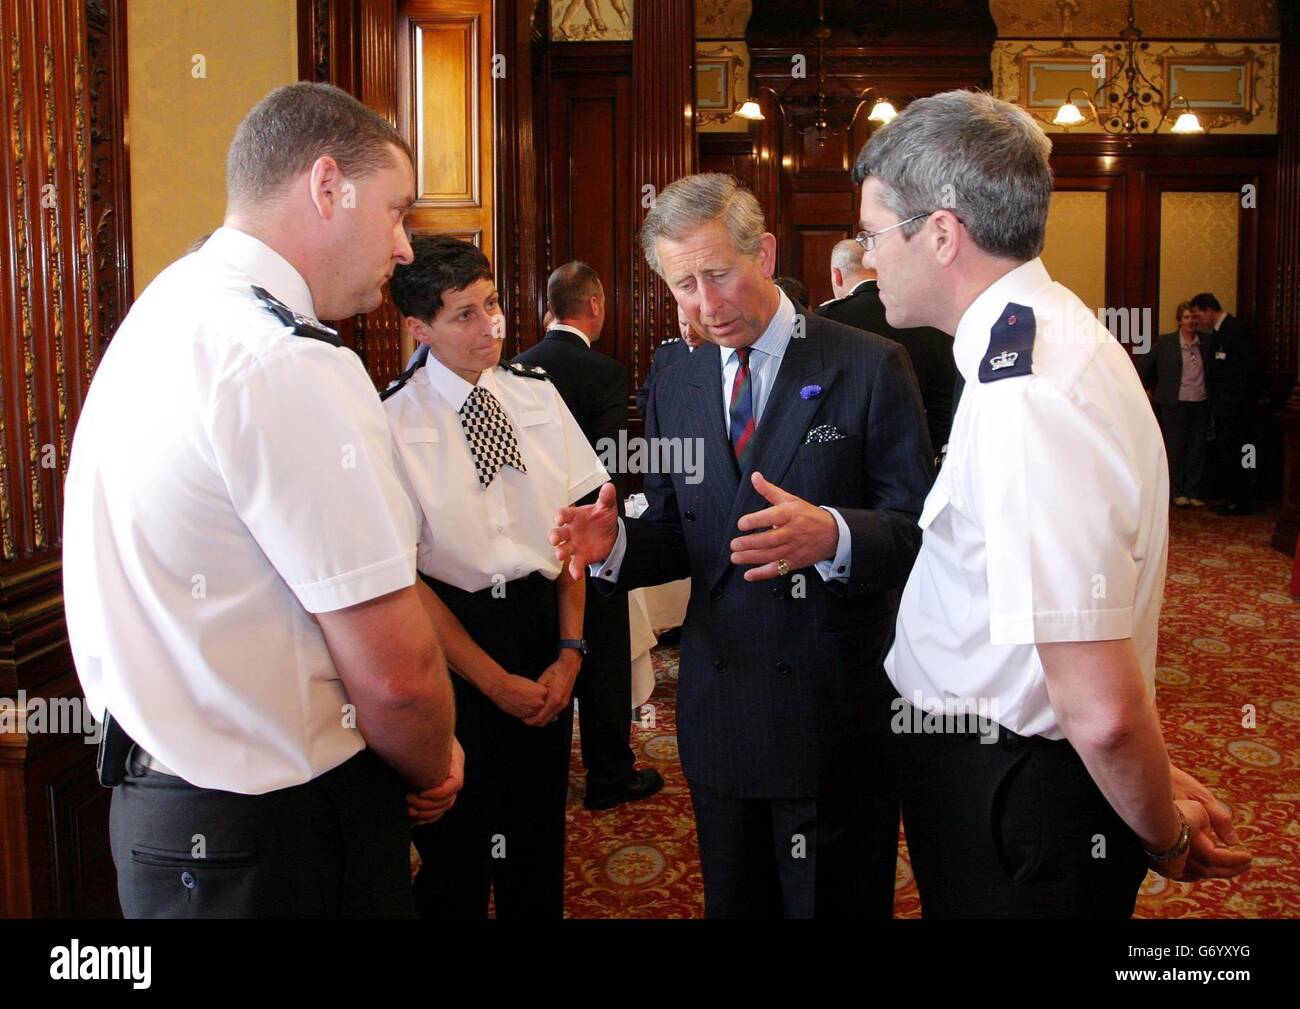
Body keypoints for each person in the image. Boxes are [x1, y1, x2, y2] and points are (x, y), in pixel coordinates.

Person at [62, 82, 461, 918]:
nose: (401, 249)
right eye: (394, 213)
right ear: (327, 186)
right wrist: (436, 762)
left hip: (160, 813)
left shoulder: (161, 314)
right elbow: (397, 679)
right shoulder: (286, 359)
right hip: (276, 832)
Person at [857, 89, 1251, 917]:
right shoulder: (1034, 338)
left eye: (873, 234)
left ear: (939, 231)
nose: (866, 259)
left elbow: (1101, 710)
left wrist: (1165, 835)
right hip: (1021, 768)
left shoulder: (1026, 386)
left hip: (1009, 799)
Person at [550, 172, 933, 918]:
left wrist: (836, 533)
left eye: (717, 274)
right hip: (722, 712)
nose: (704, 304)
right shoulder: (677, 380)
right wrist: (615, 545)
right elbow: (680, 531)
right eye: (683, 285)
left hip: (832, 713)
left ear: (763, 249)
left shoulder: (867, 364)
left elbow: (922, 533)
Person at [383, 236, 609, 917]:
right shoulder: (392, 420)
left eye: (494, 304)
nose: (492, 327)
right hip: (454, 642)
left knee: (538, 838)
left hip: (544, 624)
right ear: (420, 328)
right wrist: (492, 682)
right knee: (458, 847)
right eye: (465, 316)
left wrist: (569, 652)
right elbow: (407, 581)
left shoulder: (536, 394)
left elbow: (577, 530)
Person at [513, 262, 665, 810]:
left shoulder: (515, 370)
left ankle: (542, 776)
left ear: (546, 306)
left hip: (534, 535)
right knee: (602, 658)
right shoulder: (604, 371)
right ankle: (607, 775)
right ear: (596, 304)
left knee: (543, 650)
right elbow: (610, 460)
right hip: (591, 532)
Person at [817, 238, 956, 456]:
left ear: (836, 274)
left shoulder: (827, 320)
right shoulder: (923, 316)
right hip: (920, 451)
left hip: (849, 456)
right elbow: (945, 397)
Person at [1190, 292, 1262, 516]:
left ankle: (1241, 499)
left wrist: (1238, 403)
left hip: (1238, 410)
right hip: (1224, 408)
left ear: (1208, 311)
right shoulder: (1219, 333)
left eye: (1198, 315)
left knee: (1242, 454)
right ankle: (1233, 496)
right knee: (1228, 454)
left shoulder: (1235, 330)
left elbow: (1249, 370)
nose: (1197, 321)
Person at [1136, 302, 1210, 507]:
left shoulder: (1206, 343)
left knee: (1196, 448)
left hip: (1200, 402)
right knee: (1176, 448)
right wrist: (1147, 388)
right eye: (1186, 317)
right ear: (1179, 320)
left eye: (1194, 318)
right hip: (1173, 403)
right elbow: (1143, 364)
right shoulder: (1166, 342)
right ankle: (1177, 492)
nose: (1191, 322)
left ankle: (1192, 491)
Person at [636, 303, 703, 418]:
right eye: (683, 324)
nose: (689, 332)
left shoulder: (722, 352)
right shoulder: (665, 354)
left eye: (695, 324)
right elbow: (645, 398)